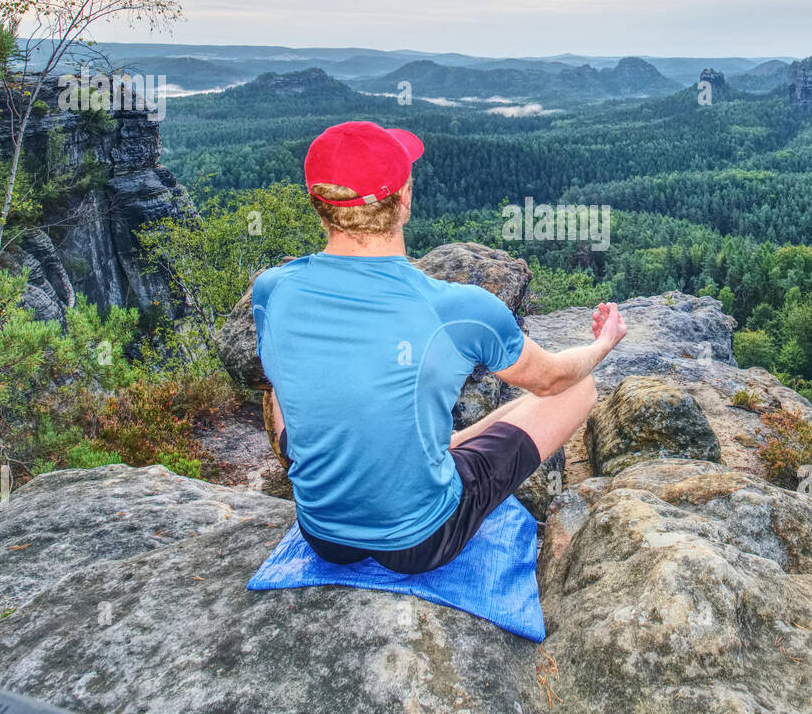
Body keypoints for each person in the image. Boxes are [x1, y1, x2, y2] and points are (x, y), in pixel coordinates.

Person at [252, 120, 628, 574]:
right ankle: (423, 461)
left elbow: (289, 386)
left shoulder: (272, 291)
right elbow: (551, 380)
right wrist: (603, 344)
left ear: (318, 202)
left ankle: (409, 453)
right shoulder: (456, 308)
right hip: (422, 541)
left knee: (279, 382)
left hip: (323, 533)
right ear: (404, 198)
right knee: (579, 388)